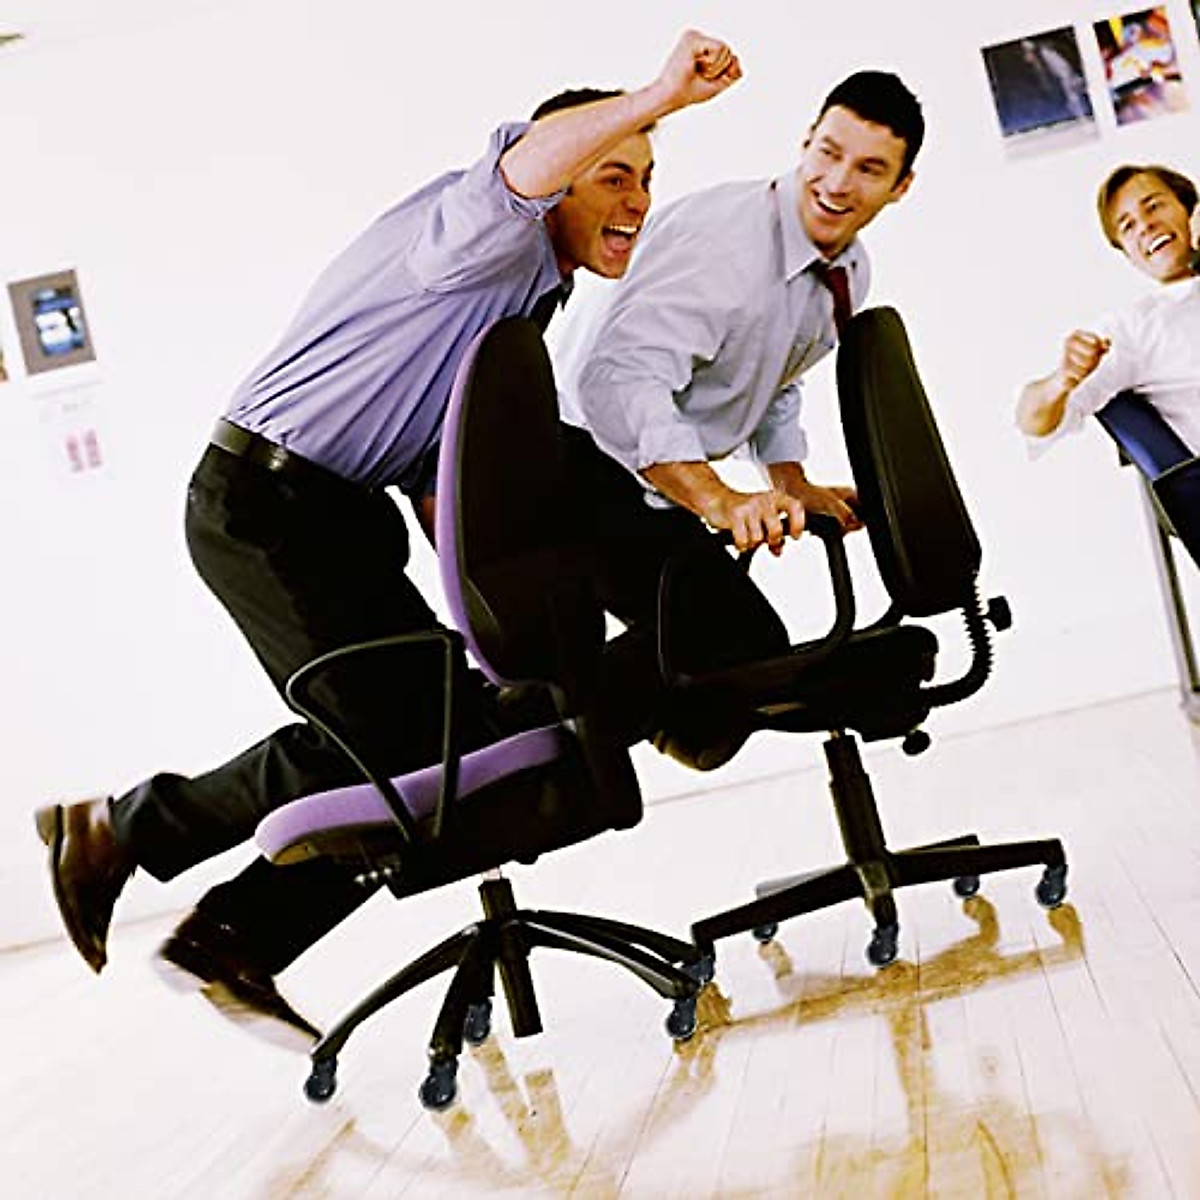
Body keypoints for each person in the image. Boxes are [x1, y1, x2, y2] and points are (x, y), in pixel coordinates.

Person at [33, 29, 742, 1039]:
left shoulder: (530, 291)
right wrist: (658, 94)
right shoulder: (483, 229)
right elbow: (525, 163)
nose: (637, 200)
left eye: (648, 177)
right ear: (560, 176)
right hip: (265, 504)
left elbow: (439, 469)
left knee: (439, 733)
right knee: (396, 744)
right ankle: (152, 850)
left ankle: (200, 908)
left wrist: (497, 610)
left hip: (345, 517)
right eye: (614, 174)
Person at [554, 70, 923, 766]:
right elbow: (619, 380)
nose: (838, 183)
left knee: (726, 677)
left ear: (900, 186)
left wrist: (791, 482)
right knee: (729, 644)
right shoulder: (727, 245)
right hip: (576, 458)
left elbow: (776, 376)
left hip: (649, 477)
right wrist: (719, 499)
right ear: (806, 142)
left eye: (869, 169)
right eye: (829, 153)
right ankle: (509, 732)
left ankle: (584, 728)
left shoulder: (846, 269)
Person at [1015, 162, 1200, 449]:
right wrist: (1062, 379)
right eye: (1128, 226)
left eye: (1154, 206)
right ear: (1129, 255)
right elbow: (1032, 422)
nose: (1146, 226)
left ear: (1191, 210)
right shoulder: (1134, 328)